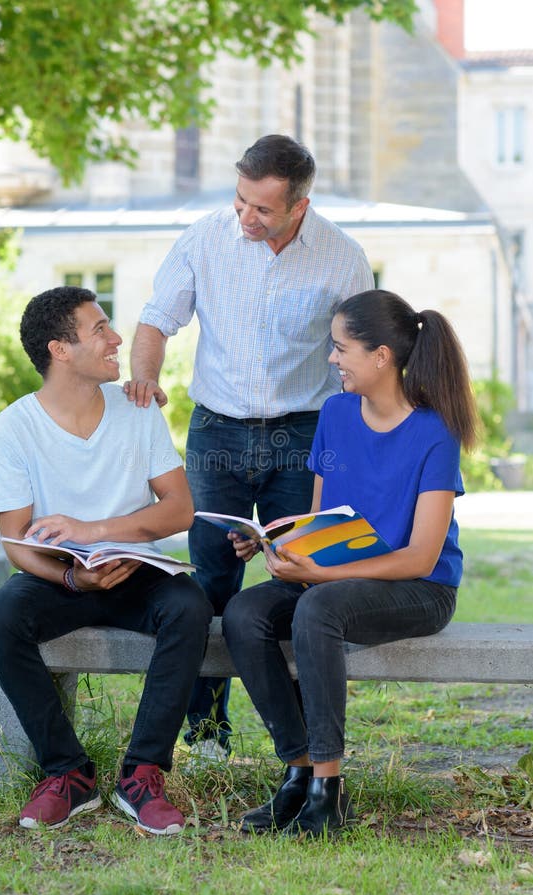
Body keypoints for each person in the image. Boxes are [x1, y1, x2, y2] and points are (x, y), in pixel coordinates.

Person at [127, 134, 374, 759]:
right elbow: (157, 319)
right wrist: (146, 374)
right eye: (241, 200)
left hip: (307, 433)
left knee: (302, 576)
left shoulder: (343, 258)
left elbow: (360, 355)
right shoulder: (206, 237)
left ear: (300, 205)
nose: (246, 217)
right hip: (219, 431)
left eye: (262, 208)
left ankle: (304, 736)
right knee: (212, 576)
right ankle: (208, 730)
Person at [222, 288, 480, 838]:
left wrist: (320, 576)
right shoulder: (337, 413)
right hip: (334, 576)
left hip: (419, 587)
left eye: (341, 348)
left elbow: (421, 554)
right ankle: (297, 771)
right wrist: (277, 545)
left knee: (317, 607)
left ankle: (327, 794)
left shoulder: (435, 432)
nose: (333, 358)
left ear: (381, 356)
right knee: (244, 612)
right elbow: (323, 520)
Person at [0, 286, 212, 834]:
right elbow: (16, 541)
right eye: (99, 329)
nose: (116, 339)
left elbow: (179, 510)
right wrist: (70, 575)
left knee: (189, 607)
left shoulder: (136, 409)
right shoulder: (13, 428)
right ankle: (67, 773)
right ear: (60, 350)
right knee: (0, 618)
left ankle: (143, 774)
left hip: (136, 570)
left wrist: (99, 530)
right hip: (59, 576)